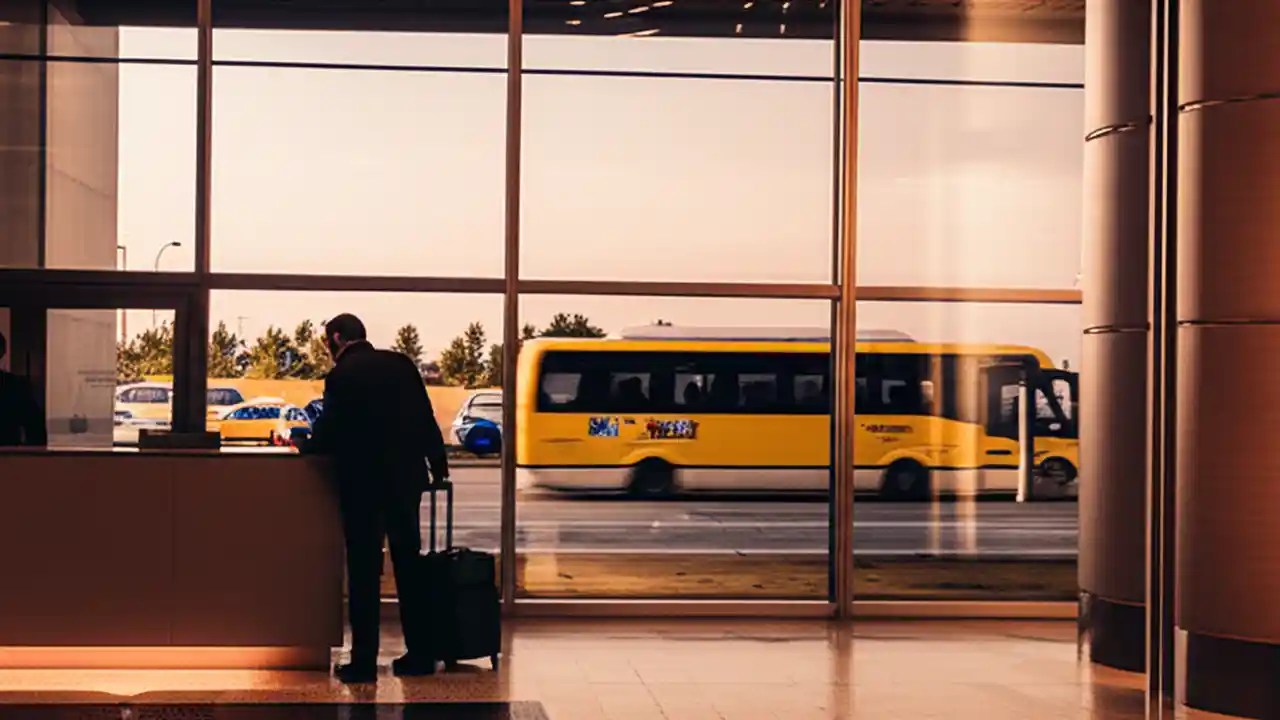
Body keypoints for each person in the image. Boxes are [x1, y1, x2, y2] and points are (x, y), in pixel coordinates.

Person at [301, 314, 449, 684]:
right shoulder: (401, 364)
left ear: (337, 338)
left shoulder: (342, 376)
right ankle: (420, 654)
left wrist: (305, 445)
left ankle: (364, 662)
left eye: (327, 342)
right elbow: (424, 417)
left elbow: (329, 432)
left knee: (365, 572)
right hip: (405, 481)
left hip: (363, 486)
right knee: (409, 565)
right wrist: (438, 464)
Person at [0, 331, 47, 448]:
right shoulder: (15, 385)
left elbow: (36, 428)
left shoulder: (15, 385)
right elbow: (36, 429)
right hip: (8, 454)